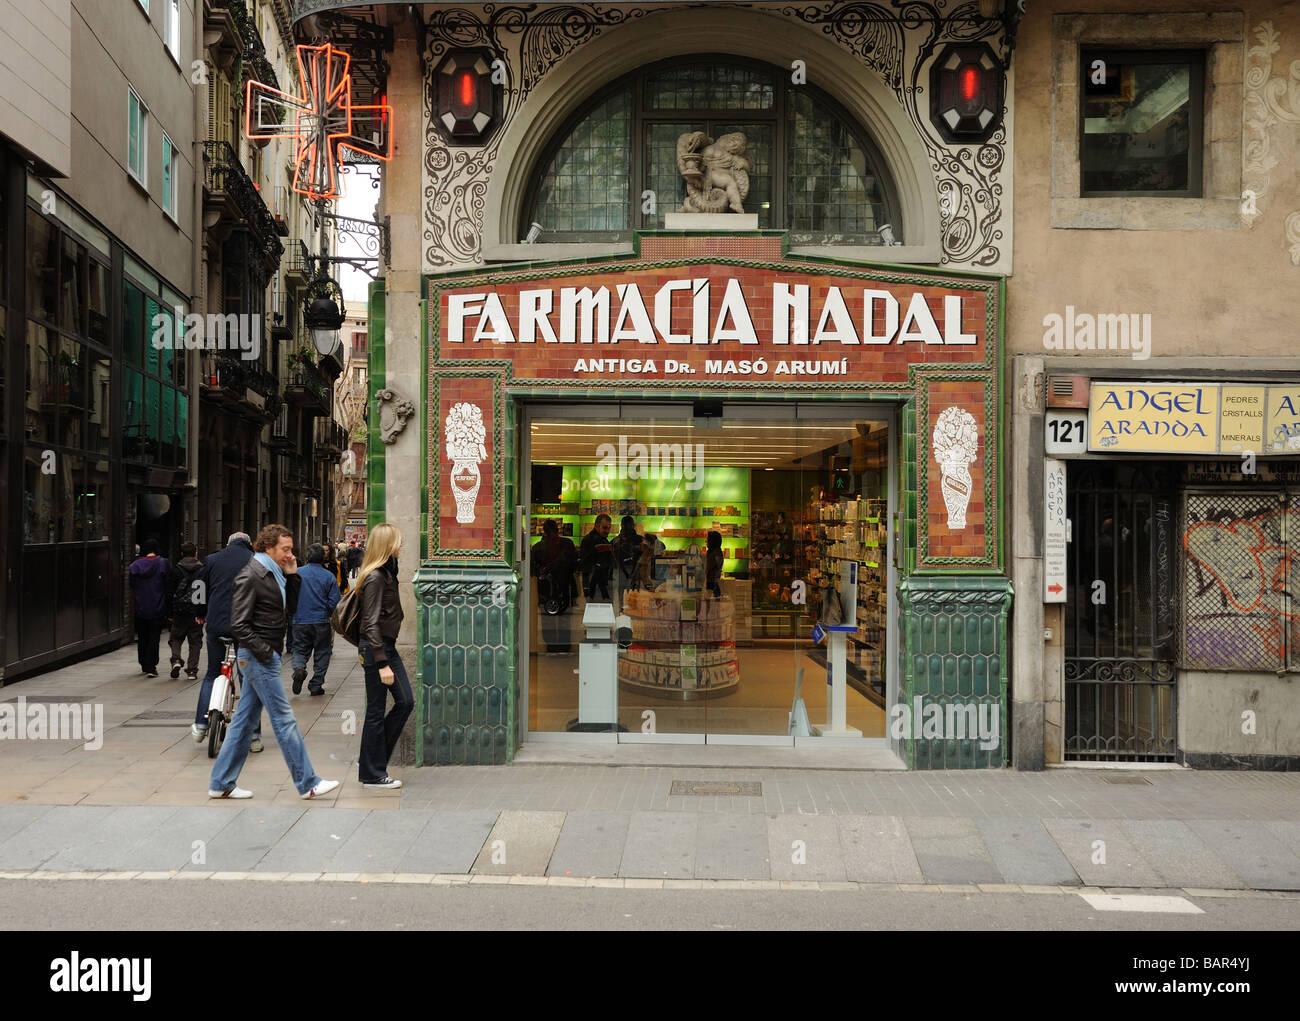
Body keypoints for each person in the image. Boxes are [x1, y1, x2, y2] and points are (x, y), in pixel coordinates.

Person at [208, 524, 339, 801]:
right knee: (284, 719)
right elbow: (239, 624)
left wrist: (292, 577)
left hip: (263, 655)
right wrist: (266, 653)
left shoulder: (273, 573)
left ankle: (221, 783)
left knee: (244, 722)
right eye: (285, 549)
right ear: (268, 547)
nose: (290, 555)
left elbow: (289, 610)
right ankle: (308, 783)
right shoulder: (251, 575)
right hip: (257, 657)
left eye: (291, 549)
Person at [191, 532, 261, 751]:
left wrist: (200, 613)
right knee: (248, 679)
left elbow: (198, 588)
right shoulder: (257, 561)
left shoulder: (212, 560)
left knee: (212, 673)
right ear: (249, 545)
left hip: (217, 624)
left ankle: (201, 725)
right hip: (246, 626)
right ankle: (254, 736)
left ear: (227, 544)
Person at [355, 522, 412, 789]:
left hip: (384, 647)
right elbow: (370, 623)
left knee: (405, 702)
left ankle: (371, 760)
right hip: (378, 649)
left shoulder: (387, 573)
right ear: (387, 544)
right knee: (377, 711)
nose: (402, 544)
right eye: (398, 540)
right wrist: (382, 663)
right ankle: (372, 772)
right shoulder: (376, 577)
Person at [291, 543, 341, 696]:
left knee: (299, 649)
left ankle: (299, 668)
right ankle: (316, 684)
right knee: (322, 652)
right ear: (323, 557)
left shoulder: (296, 573)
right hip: (320, 620)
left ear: (307, 557)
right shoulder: (328, 576)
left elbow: (289, 595)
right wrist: (326, 611)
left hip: (300, 619)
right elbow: (335, 600)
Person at [532, 519, 577, 652]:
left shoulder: (537, 547)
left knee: (547, 618)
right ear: (558, 529)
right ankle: (564, 645)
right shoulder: (567, 543)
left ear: (543, 531)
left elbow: (534, 570)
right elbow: (574, 564)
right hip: (565, 585)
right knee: (565, 618)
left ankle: (551, 646)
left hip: (546, 586)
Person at [128, 540, 169, 676]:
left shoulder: (135, 566)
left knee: (142, 636)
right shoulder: (162, 563)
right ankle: (151, 665)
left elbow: (131, 585)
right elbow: (166, 583)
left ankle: (144, 663)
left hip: (140, 606)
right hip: (157, 605)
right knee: (154, 637)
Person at [165, 542, 205, 679]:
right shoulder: (203, 570)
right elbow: (205, 592)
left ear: (181, 554)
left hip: (179, 610)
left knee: (176, 637)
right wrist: (203, 612)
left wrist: (170, 613)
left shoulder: (175, 570)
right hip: (196, 611)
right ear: (195, 553)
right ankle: (192, 670)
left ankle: (176, 660)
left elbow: (169, 592)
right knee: (195, 642)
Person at [578, 513, 615, 601]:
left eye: (609, 528)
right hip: (594, 580)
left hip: (594, 581)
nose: (607, 531)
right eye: (605, 528)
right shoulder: (596, 540)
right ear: (596, 526)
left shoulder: (598, 538)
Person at [705, 530, 724, 598]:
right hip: (713, 582)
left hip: (712, 584)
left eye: (707, 540)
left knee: (710, 604)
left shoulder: (715, 554)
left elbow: (708, 568)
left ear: (712, 541)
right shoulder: (715, 552)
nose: (706, 541)